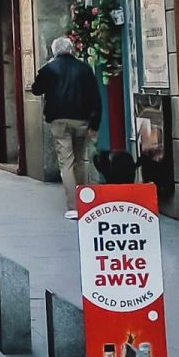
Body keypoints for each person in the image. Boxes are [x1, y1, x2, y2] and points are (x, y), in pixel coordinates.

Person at [31, 35, 103, 219]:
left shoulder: (49, 69)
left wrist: (45, 70)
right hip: (82, 119)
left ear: (54, 51)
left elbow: (36, 89)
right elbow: (95, 98)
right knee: (79, 160)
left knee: (67, 162)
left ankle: (74, 206)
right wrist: (94, 124)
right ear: (71, 50)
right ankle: (85, 201)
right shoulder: (84, 68)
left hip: (59, 120)